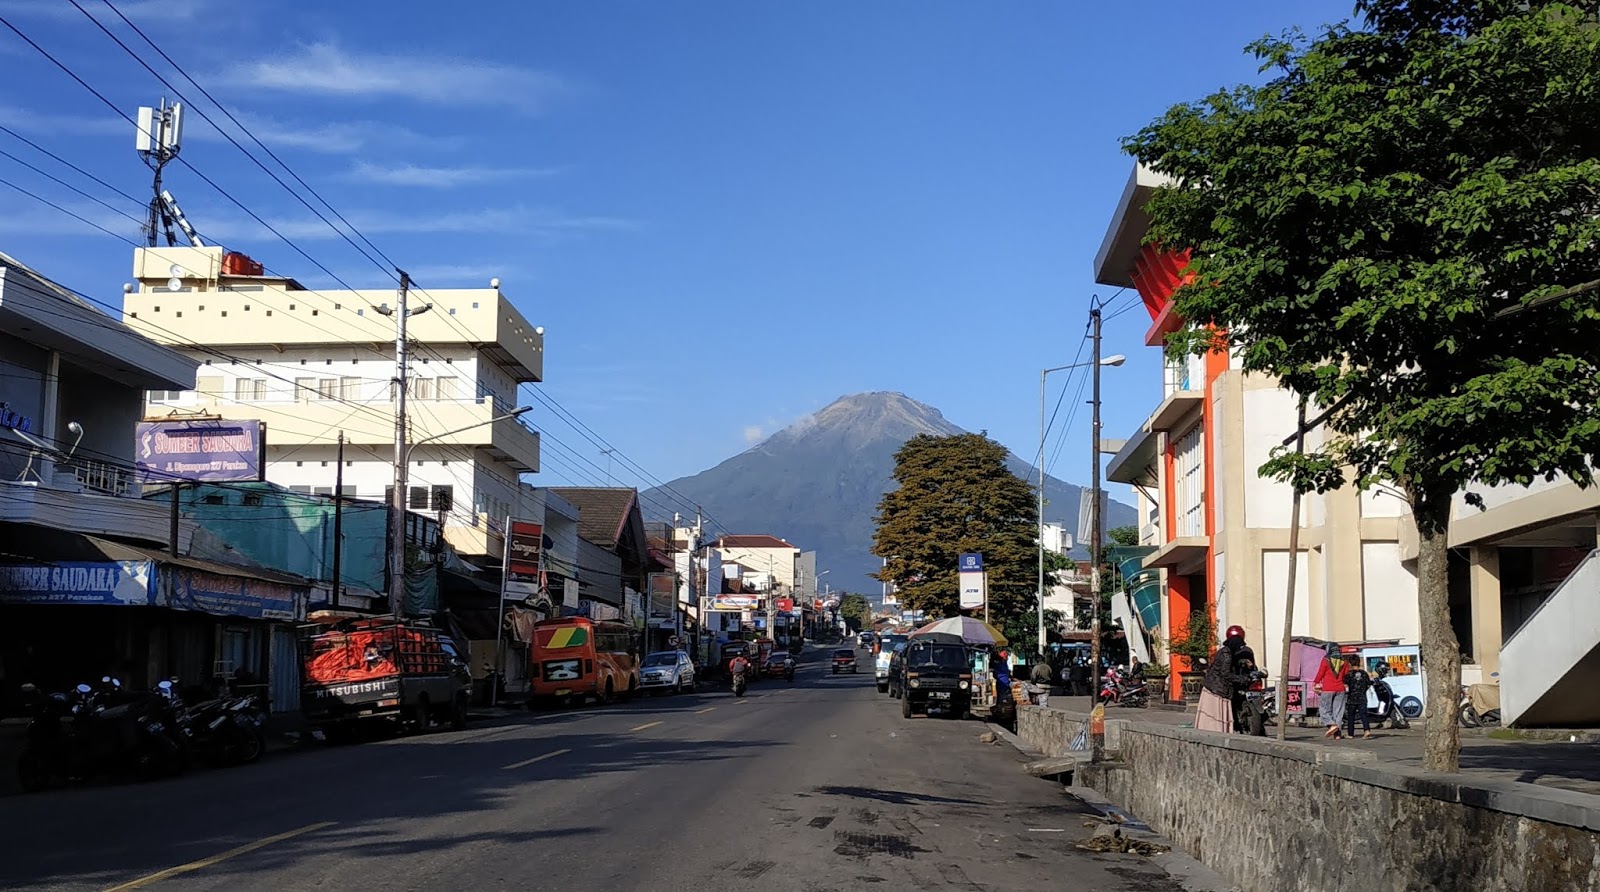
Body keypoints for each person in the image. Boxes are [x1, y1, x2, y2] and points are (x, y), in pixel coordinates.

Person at [1196, 625, 1253, 733]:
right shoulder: (1227, 655)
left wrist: (1243, 662)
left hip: (1214, 687)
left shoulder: (1225, 651)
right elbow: (1225, 673)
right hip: (1218, 690)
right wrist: (1242, 679)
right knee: (1216, 717)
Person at [1313, 646, 1350, 739]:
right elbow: (1346, 675)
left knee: (1324, 709)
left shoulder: (1326, 660)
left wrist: (1315, 682)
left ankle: (1331, 724)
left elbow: (1321, 672)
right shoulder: (1344, 661)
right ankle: (1337, 734)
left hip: (1328, 688)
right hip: (1340, 689)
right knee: (1338, 712)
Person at [1342, 657, 1374, 740]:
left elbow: (1344, 684)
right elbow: (1369, 683)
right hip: (1362, 697)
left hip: (1352, 698)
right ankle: (1366, 731)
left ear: (1350, 664)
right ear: (1359, 663)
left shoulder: (1349, 674)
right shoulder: (1364, 673)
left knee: (1351, 716)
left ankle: (1350, 734)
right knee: (1364, 715)